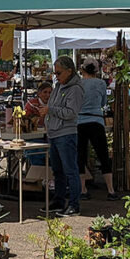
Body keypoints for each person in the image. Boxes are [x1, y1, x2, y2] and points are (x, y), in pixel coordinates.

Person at [39, 56, 84, 217]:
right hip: (54, 133)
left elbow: (71, 113)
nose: (56, 76)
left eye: (58, 73)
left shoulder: (75, 89)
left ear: (69, 71)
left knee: (70, 170)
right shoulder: (59, 86)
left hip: (66, 134)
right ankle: (59, 201)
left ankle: (74, 204)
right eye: (55, 73)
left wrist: (50, 110)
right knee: (57, 171)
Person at [77, 59, 118, 201]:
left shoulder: (78, 84)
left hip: (80, 121)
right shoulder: (101, 83)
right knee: (103, 155)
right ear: (96, 70)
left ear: (82, 70)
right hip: (96, 120)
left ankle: (83, 189)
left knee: (80, 156)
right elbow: (103, 103)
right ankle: (111, 190)